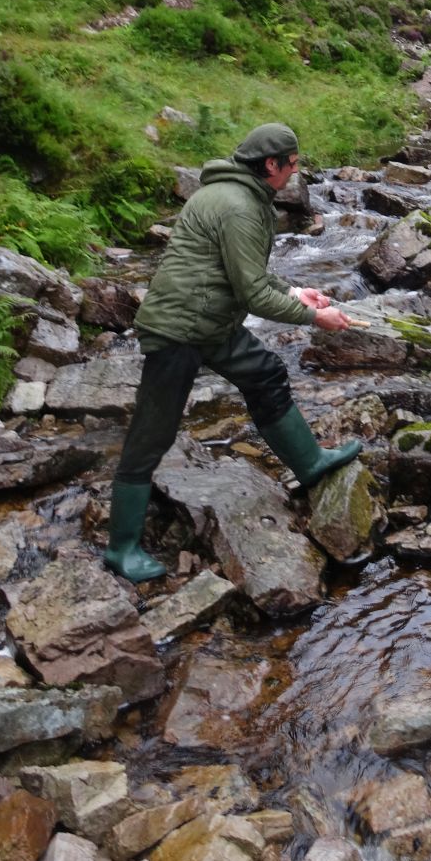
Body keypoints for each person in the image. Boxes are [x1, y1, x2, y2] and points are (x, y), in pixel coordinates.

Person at [104, 122, 359, 582]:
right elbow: (254, 295)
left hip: (212, 323)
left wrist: (295, 291)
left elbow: (248, 273)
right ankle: (121, 548)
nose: (296, 170)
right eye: (292, 163)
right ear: (270, 164)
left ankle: (310, 463)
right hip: (179, 328)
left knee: (265, 372)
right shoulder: (239, 205)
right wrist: (313, 317)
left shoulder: (236, 195)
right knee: (152, 434)